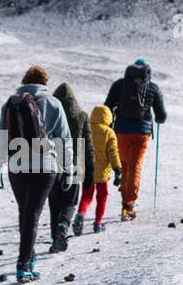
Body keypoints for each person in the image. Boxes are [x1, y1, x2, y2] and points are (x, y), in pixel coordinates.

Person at [0, 65, 73, 282]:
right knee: (32, 213)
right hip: (45, 166)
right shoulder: (53, 103)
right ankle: (23, 265)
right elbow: (64, 139)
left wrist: (2, 158)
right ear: (45, 83)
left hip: (16, 165)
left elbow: (0, 134)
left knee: (26, 212)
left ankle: (29, 257)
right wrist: (67, 168)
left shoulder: (10, 104)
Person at [104, 58, 167, 220]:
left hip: (121, 132)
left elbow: (107, 107)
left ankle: (125, 201)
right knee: (135, 167)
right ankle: (128, 205)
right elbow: (161, 115)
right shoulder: (152, 87)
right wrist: (158, 118)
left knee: (125, 165)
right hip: (141, 133)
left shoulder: (119, 85)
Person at [48, 81, 93, 252]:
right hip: (75, 164)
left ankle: (55, 240)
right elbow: (88, 146)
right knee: (70, 201)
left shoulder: (50, 115)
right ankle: (63, 225)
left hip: (53, 164)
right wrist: (90, 172)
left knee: (54, 202)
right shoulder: (81, 115)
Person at [75, 104, 123, 233]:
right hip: (102, 173)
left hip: (87, 171)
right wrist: (117, 169)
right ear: (108, 118)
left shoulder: (87, 129)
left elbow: (81, 148)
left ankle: (81, 213)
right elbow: (113, 152)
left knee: (86, 196)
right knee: (102, 197)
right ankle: (97, 223)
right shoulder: (109, 132)